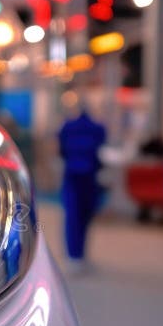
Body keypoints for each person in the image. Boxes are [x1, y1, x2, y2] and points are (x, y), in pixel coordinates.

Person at [58, 107, 106, 269]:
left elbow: (61, 151)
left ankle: (74, 255)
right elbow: (101, 153)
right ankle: (79, 254)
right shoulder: (97, 129)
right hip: (89, 177)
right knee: (84, 215)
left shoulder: (67, 128)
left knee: (73, 216)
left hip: (73, 176)